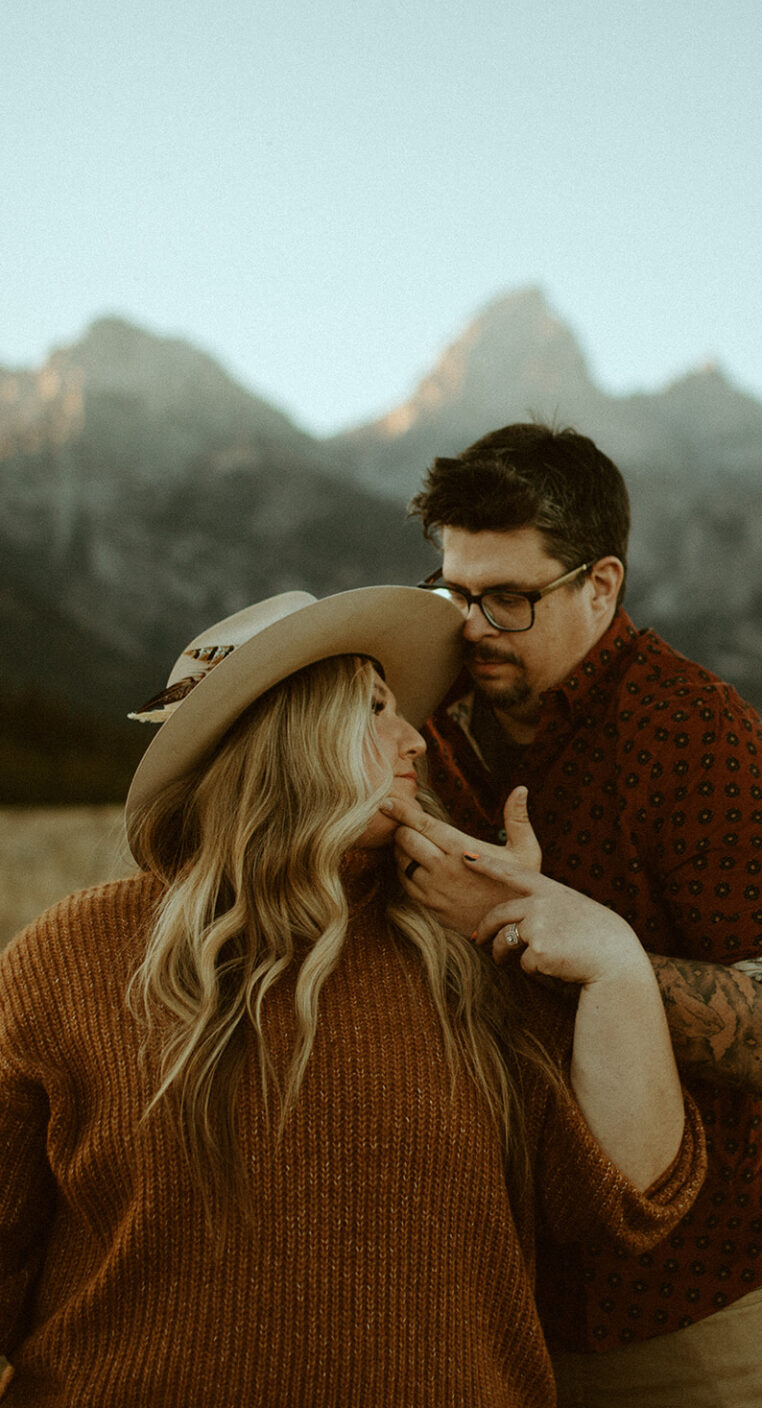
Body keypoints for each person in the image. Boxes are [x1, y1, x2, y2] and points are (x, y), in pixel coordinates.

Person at [0, 585, 706, 1408]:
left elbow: (626, 1205)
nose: (414, 737)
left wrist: (606, 957)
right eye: (375, 708)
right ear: (290, 734)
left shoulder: (461, 942)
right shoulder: (72, 957)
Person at [388, 425, 762, 1407]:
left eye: (509, 597)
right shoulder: (428, 728)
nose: (472, 624)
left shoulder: (693, 735)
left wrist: (563, 937)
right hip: (493, 1299)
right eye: (454, 590)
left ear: (600, 584)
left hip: (685, 1317)